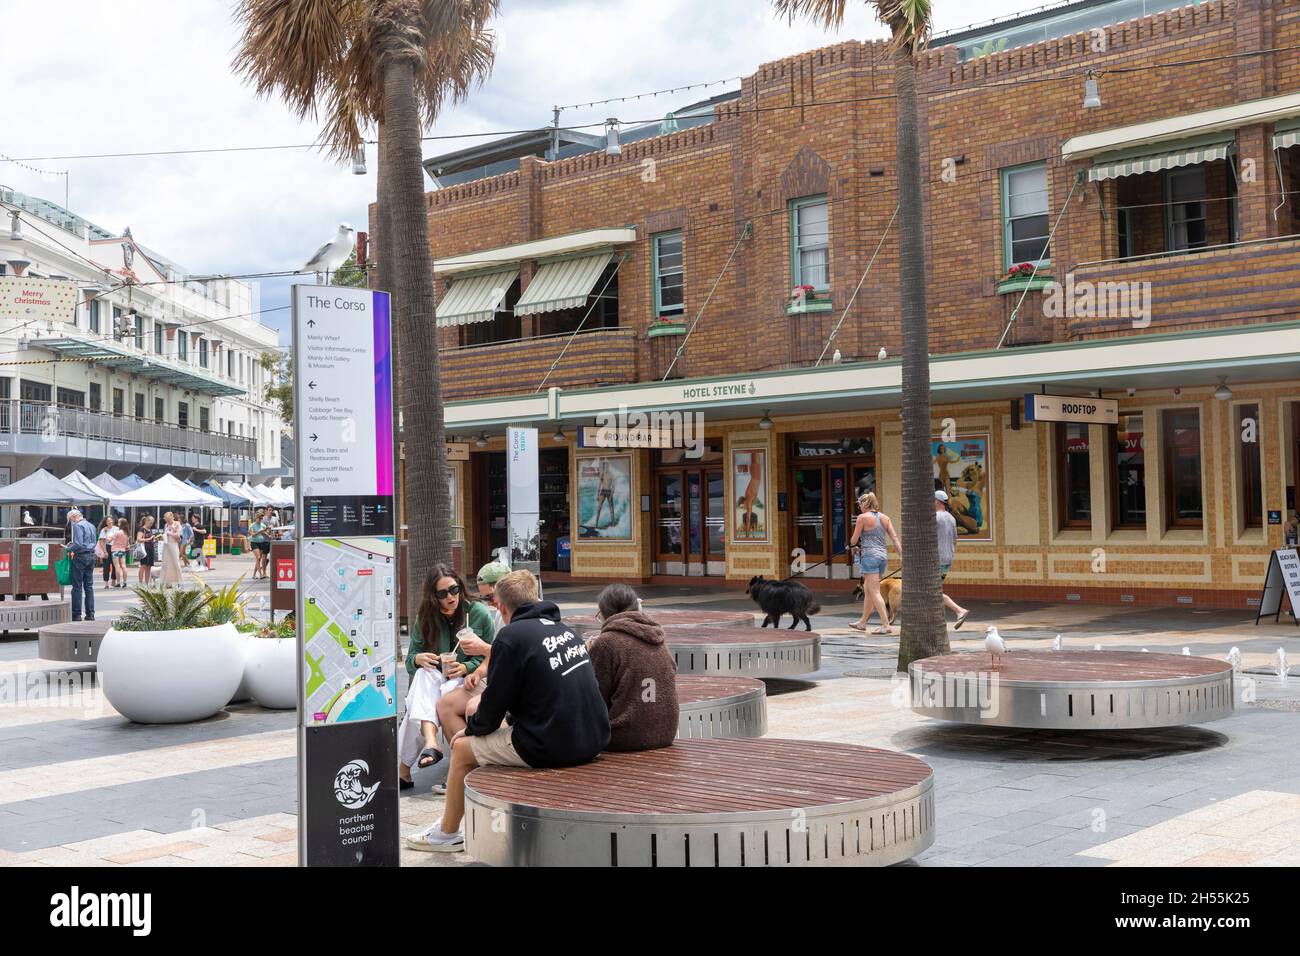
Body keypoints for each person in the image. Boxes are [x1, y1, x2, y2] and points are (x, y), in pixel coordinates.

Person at [408, 569, 610, 853]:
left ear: (501, 606)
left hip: (552, 744)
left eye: (492, 600)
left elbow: (491, 710)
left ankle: (446, 833)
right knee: (490, 734)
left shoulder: (511, 637)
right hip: (595, 736)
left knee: (464, 748)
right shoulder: (566, 631)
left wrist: (470, 730)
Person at [397, 565, 494, 791]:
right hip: (437, 677)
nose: (450, 596)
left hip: (469, 679)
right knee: (423, 675)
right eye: (443, 593)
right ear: (434, 597)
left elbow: (491, 654)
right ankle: (432, 744)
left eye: (454, 589)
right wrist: (418, 659)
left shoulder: (477, 613)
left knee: (421, 702)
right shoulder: (426, 617)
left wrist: (465, 667)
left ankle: (405, 768)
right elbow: (412, 659)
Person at [587, 584, 679, 751]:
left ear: (606, 613)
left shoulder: (607, 642)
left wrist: (588, 656)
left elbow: (593, 696)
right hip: (666, 733)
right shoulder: (658, 636)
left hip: (624, 736)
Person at [849, 491, 903, 635]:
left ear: (864, 504)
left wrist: (852, 544)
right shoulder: (885, 518)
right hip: (882, 558)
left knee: (874, 591)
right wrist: (901, 555)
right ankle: (862, 622)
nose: (859, 507)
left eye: (859, 504)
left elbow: (854, 540)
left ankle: (886, 625)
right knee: (868, 589)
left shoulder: (862, 518)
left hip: (869, 557)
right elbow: (895, 538)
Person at [935, 490, 970, 629]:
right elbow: (955, 540)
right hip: (947, 558)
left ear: (937, 501)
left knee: (932, 590)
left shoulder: (935, 517)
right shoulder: (951, 518)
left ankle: (959, 610)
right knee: (935, 589)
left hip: (936, 559)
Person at [66, 509, 99, 622]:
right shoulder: (91, 526)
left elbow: (79, 544)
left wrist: (68, 548)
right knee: (89, 587)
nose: (72, 522)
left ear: (74, 517)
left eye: (71, 520)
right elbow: (94, 542)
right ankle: (90, 614)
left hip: (80, 557)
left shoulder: (78, 526)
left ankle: (76, 614)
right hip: (91, 556)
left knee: (77, 587)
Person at [161, 511, 183, 586]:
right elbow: (165, 533)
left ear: (172, 517)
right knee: (165, 563)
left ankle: (180, 581)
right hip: (166, 544)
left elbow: (178, 535)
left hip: (173, 544)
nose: (167, 521)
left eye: (168, 519)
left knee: (176, 563)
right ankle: (164, 581)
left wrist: (170, 532)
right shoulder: (166, 525)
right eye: (166, 520)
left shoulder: (177, 524)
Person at [135, 515, 156, 586]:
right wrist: (149, 539)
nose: (151, 525)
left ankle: (146, 583)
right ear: (146, 521)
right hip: (144, 550)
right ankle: (140, 583)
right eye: (150, 523)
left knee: (149, 566)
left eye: (152, 523)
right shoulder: (142, 529)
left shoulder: (149, 530)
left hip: (150, 549)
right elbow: (138, 539)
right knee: (143, 566)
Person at [97, 516, 118, 587]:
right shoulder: (104, 530)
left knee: (115, 565)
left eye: (111, 520)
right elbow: (101, 542)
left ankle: (113, 581)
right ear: (105, 522)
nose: (110, 522)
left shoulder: (116, 528)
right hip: (107, 548)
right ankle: (106, 583)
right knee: (106, 566)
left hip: (115, 547)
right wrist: (105, 551)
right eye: (108, 521)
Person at [110, 518, 131, 588]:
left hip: (115, 551)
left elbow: (109, 540)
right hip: (122, 551)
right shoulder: (127, 533)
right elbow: (127, 545)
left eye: (119, 523)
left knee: (117, 567)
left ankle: (118, 582)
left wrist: (107, 536)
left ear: (121, 524)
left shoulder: (118, 532)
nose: (117, 524)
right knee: (124, 566)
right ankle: (125, 582)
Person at [249, 511, 270, 579]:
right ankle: (260, 574)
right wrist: (260, 531)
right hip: (254, 542)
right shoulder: (252, 525)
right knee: (258, 557)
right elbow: (252, 535)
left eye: (261, 518)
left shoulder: (263, 525)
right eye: (259, 518)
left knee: (259, 558)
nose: (260, 520)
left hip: (261, 542)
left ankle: (254, 574)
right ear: (256, 518)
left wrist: (268, 535)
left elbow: (264, 533)